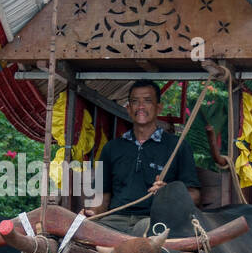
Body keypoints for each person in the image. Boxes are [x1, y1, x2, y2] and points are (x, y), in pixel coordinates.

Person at [84, 79, 201, 235]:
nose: (140, 106)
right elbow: (102, 197)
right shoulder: (111, 148)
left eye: (147, 101)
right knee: (79, 242)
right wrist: (91, 215)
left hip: (154, 220)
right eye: (134, 101)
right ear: (128, 108)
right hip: (114, 221)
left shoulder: (178, 146)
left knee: (146, 238)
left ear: (159, 108)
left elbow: (194, 196)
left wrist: (169, 193)